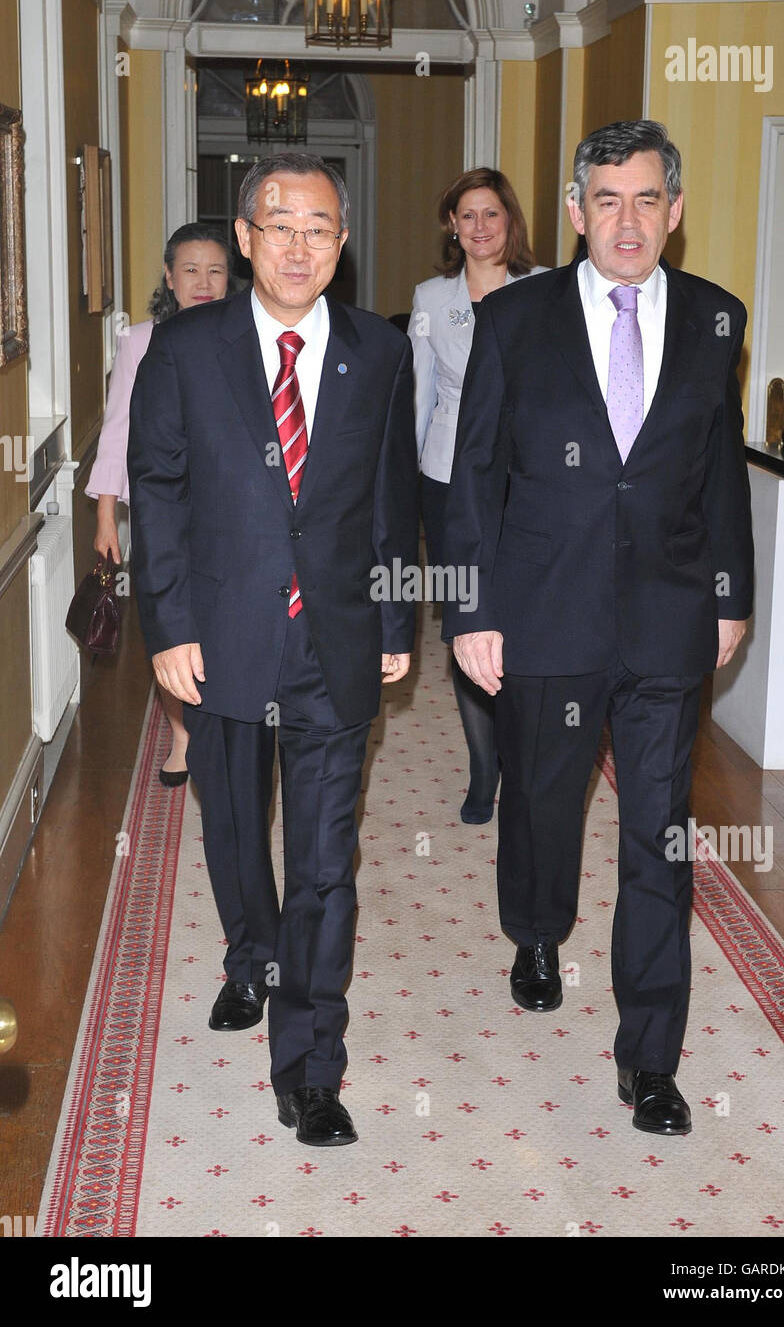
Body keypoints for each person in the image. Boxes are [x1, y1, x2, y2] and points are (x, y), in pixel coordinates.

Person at [442, 120, 754, 1137]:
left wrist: (729, 593)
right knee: (541, 797)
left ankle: (649, 1057)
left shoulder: (714, 318)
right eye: (607, 200)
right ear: (575, 211)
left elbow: (720, 474)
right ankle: (534, 930)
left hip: (666, 619)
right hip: (543, 610)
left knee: (659, 838)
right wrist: (472, 610)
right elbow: (472, 476)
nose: (628, 220)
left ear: (673, 210)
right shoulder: (514, 318)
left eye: (647, 199)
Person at [128, 151, 418, 1147]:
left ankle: (309, 1064)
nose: (298, 247)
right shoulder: (187, 347)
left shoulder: (379, 350)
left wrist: (390, 620)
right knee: (236, 830)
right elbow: (157, 487)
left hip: (334, 639)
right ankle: (248, 952)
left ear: (342, 242)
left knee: (326, 860)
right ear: (245, 236)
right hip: (219, 640)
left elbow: (392, 499)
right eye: (278, 225)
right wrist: (168, 625)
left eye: (320, 228)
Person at [409, 169, 547, 823]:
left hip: (532, 479)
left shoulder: (546, 290)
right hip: (448, 477)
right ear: (451, 225)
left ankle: (523, 755)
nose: (481, 227)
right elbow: (419, 395)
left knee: (526, 617)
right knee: (468, 615)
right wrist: (403, 486)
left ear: (509, 221)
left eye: (492, 214)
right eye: (468, 215)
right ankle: (482, 764)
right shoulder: (430, 300)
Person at [86, 223, 235, 785]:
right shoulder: (139, 343)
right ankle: (182, 736)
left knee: (227, 622)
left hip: (231, 511)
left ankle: (230, 722)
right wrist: (107, 514)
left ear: (230, 278)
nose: (203, 281)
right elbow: (119, 430)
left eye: (215, 270)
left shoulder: (252, 338)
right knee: (171, 622)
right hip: (163, 511)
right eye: (190, 270)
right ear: (170, 278)